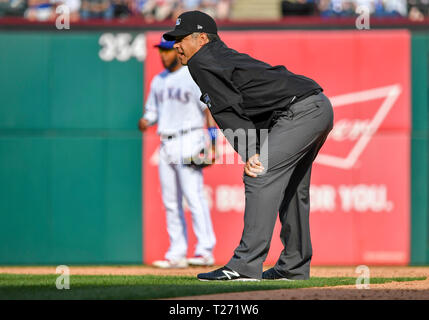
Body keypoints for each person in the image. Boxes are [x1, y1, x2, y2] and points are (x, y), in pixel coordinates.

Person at [163, 10, 334, 280]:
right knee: (292, 189)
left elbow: (226, 109)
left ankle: (244, 265)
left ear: (202, 38)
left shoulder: (202, 60)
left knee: (258, 174)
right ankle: (293, 267)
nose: (176, 45)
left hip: (300, 112)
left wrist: (249, 152)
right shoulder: (218, 55)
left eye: (181, 38)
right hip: (316, 106)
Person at [138, 36, 217, 268]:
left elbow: (208, 110)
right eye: (160, 51)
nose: (163, 55)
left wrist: (212, 142)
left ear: (176, 51)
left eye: (166, 50)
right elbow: (152, 112)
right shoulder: (158, 81)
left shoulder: (191, 76)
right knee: (171, 201)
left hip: (190, 137)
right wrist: (146, 120)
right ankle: (177, 253)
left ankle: (204, 250)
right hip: (167, 141)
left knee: (193, 196)